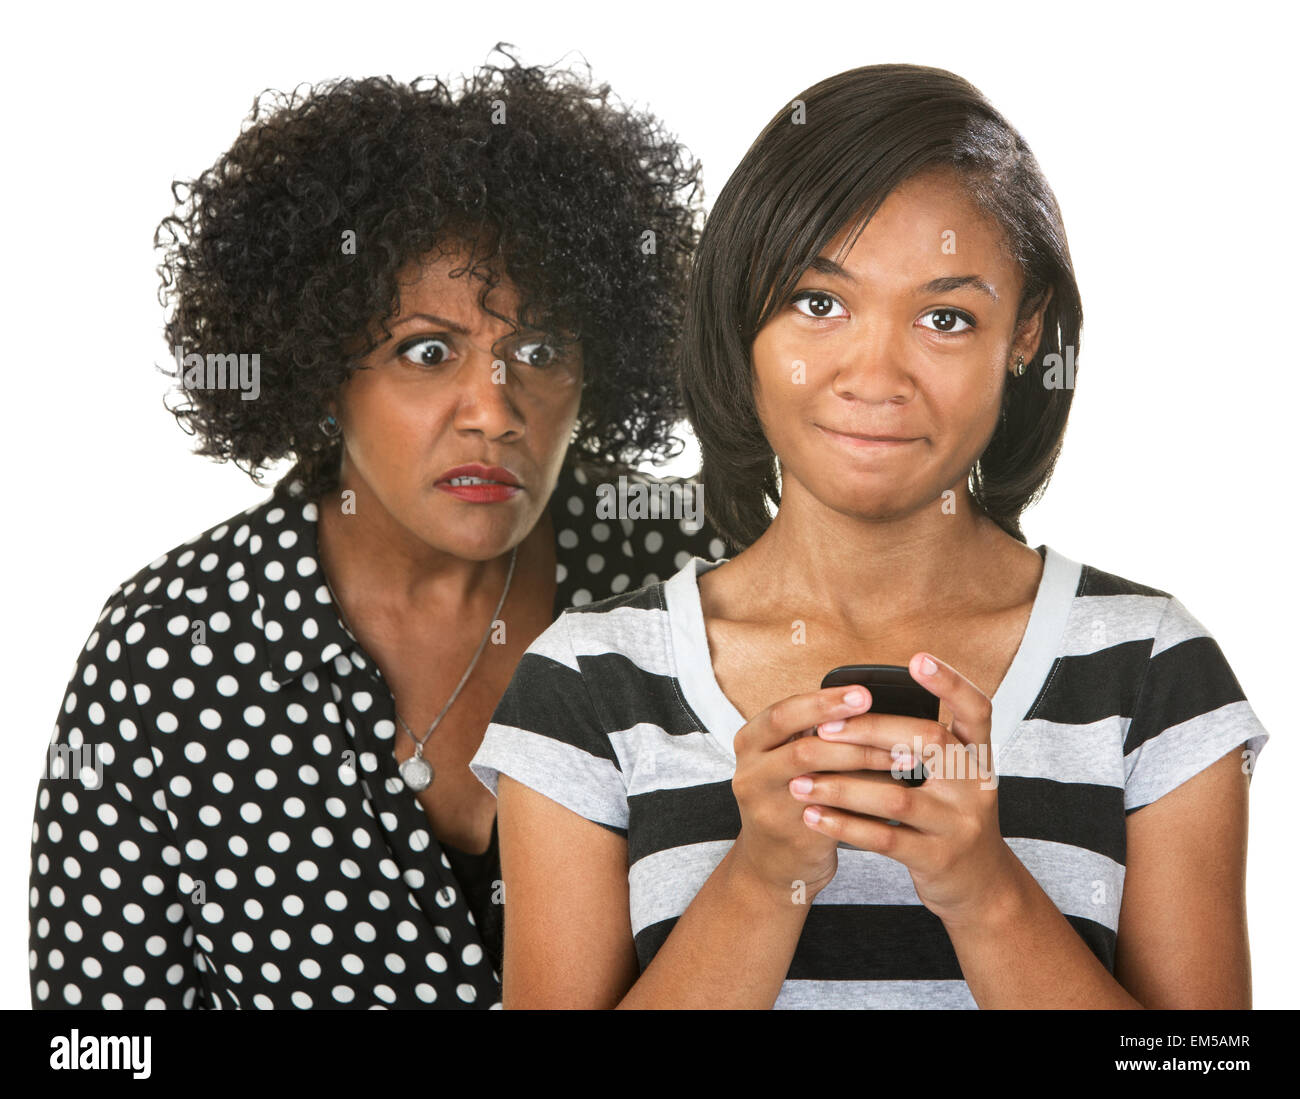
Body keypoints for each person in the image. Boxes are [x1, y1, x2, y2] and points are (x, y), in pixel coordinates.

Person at [470, 62, 1271, 1008]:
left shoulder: (1151, 671)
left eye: (945, 317)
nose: (875, 372)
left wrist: (984, 890)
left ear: (1025, 334)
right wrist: (764, 878)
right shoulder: (587, 681)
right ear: (744, 311)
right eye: (820, 302)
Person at [28, 52, 722, 1010]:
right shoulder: (170, 654)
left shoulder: (694, 581)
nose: (494, 408)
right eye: (427, 352)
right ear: (320, 374)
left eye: (541, 349)